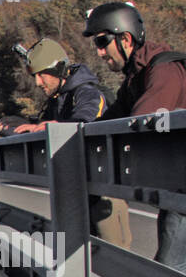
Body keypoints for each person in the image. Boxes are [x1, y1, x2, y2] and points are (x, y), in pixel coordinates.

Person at [85, 2, 186, 274]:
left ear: (125, 38)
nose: (99, 51)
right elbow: (110, 121)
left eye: (103, 41)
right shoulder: (136, 77)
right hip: (177, 184)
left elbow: (141, 122)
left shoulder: (163, 71)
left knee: (168, 273)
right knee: (168, 270)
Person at [11, 39, 127, 247]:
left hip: (103, 190)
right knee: (81, 256)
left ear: (57, 69)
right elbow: (41, 125)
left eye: (41, 74)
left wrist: (53, 126)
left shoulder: (87, 93)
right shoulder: (57, 99)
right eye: (34, 76)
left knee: (114, 257)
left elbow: (87, 119)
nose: (37, 82)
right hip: (77, 189)